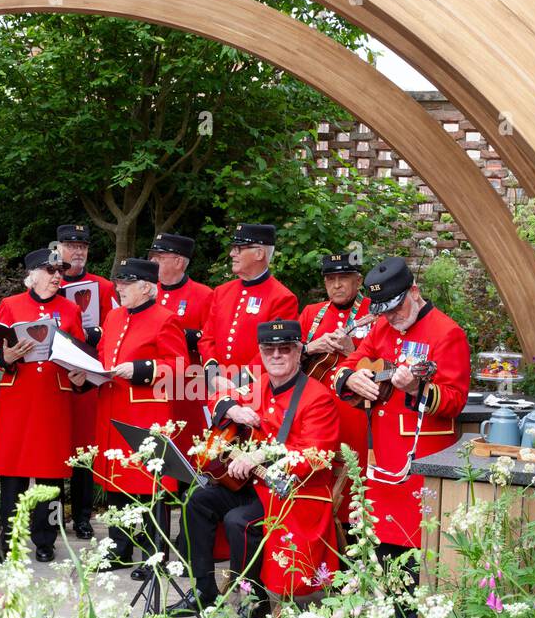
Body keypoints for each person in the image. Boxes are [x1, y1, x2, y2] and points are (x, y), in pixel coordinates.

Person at [180, 319, 341, 618]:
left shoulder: (317, 397)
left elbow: (317, 453)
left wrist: (260, 457)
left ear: (297, 352)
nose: (277, 356)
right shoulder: (259, 385)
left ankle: (252, 602)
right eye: (269, 350)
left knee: (238, 521)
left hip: (292, 492)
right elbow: (216, 397)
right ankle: (204, 590)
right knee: (197, 502)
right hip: (252, 486)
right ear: (262, 353)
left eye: (285, 349)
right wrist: (233, 409)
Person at [332, 257, 470, 597]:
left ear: (416, 292)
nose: (391, 318)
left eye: (396, 308)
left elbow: (455, 400)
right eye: (385, 312)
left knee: (417, 556)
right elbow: (349, 365)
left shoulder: (447, 332)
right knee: (383, 553)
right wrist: (353, 378)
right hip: (382, 462)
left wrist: (417, 388)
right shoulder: (382, 327)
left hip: (420, 462)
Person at [82, 257, 187, 573]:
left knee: (150, 485)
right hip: (113, 409)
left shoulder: (166, 319)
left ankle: (156, 556)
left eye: (127, 283)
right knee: (117, 484)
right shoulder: (114, 316)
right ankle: (119, 550)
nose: (120, 288)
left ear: (146, 287)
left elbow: (180, 367)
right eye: (119, 282)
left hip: (147, 412)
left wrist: (143, 369)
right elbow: (104, 357)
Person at [0, 247, 87, 564]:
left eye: (60, 271)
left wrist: (81, 374)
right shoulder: (11, 305)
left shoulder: (70, 310)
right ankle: (7, 539)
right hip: (18, 397)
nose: (58, 276)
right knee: (11, 473)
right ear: (33, 275)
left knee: (51, 474)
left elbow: (81, 353)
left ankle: (46, 539)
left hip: (54, 398)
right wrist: (7, 357)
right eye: (51, 271)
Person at [301, 253, 373, 525]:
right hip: (314, 409)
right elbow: (288, 357)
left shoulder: (372, 312)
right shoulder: (312, 312)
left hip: (352, 410)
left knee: (355, 473)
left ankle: (355, 531)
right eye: (330, 279)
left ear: (358, 280)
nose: (337, 285)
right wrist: (311, 347)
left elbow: (382, 363)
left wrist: (351, 350)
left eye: (343, 278)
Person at [56, 223, 116, 541]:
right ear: (58, 247)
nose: (77, 251)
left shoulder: (104, 287)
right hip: (53, 382)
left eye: (83, 246)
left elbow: (117, 330)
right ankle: (52, 519)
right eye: (70, 245)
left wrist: (98, 335)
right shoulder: (48, 282)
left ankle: (81, 517)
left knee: (82, 452)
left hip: (85, 383)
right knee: (52, 452)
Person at [197, 223, 298, 395]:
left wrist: (238, 382)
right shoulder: (222, 292)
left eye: (239, 249)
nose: (232, 254)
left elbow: (275, 349)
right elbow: (207, 338)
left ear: (259, 253)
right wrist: (213, 376)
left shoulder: (282, 298)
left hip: (256, 390)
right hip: (218, 387)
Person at [149, 232, 213, 457]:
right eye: (153, 257)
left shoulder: (204, 295)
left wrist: (180, 336)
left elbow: (210, 337)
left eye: (159, 257)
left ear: (178, 261)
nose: (153, 262)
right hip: (152, 382)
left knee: (186, 441)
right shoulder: (147, 291)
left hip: (186, 384)